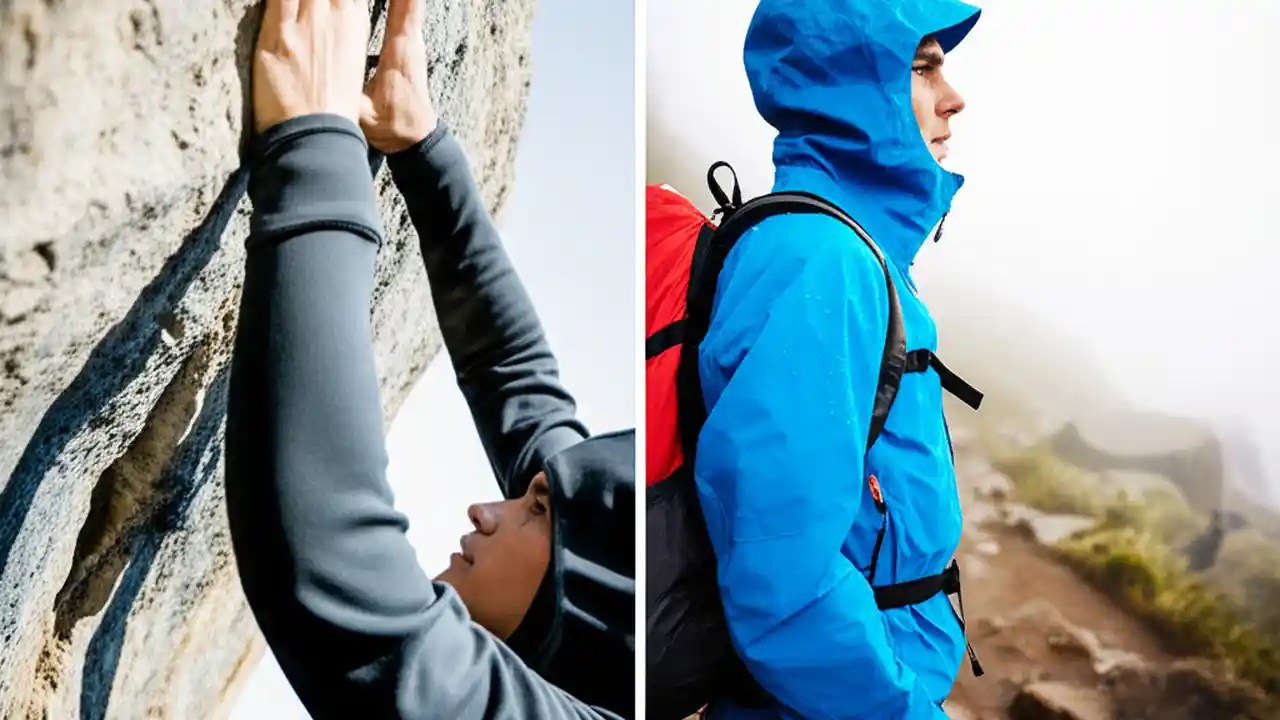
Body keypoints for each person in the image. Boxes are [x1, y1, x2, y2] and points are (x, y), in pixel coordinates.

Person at [222, 1, 634, 718]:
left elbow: (342, 582)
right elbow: (521, 388)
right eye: (528, 495)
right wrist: (421, 149)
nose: (484, 510)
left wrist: (311, 145)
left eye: (537, 510)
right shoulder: (607, 636)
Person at [691, 1, 982, 718]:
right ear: (853, 81)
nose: (955, 98)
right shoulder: (820, 260)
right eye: (922, 67)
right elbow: (782, 583)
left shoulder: (854, 250)